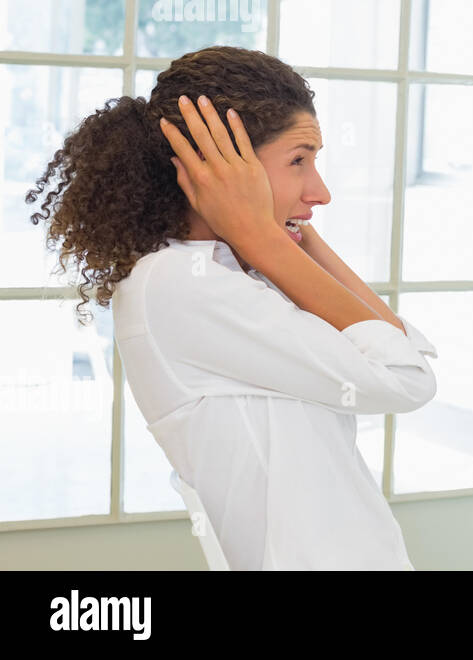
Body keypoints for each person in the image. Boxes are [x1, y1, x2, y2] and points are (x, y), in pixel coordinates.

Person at [26, 46, 437, 568]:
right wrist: (264, 238)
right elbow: (407, 378)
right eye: (299, 160)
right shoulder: (175, 283)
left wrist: (281, 237)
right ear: (220, 166)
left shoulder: (237, 269)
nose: (321, 190)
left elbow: (395, 343)